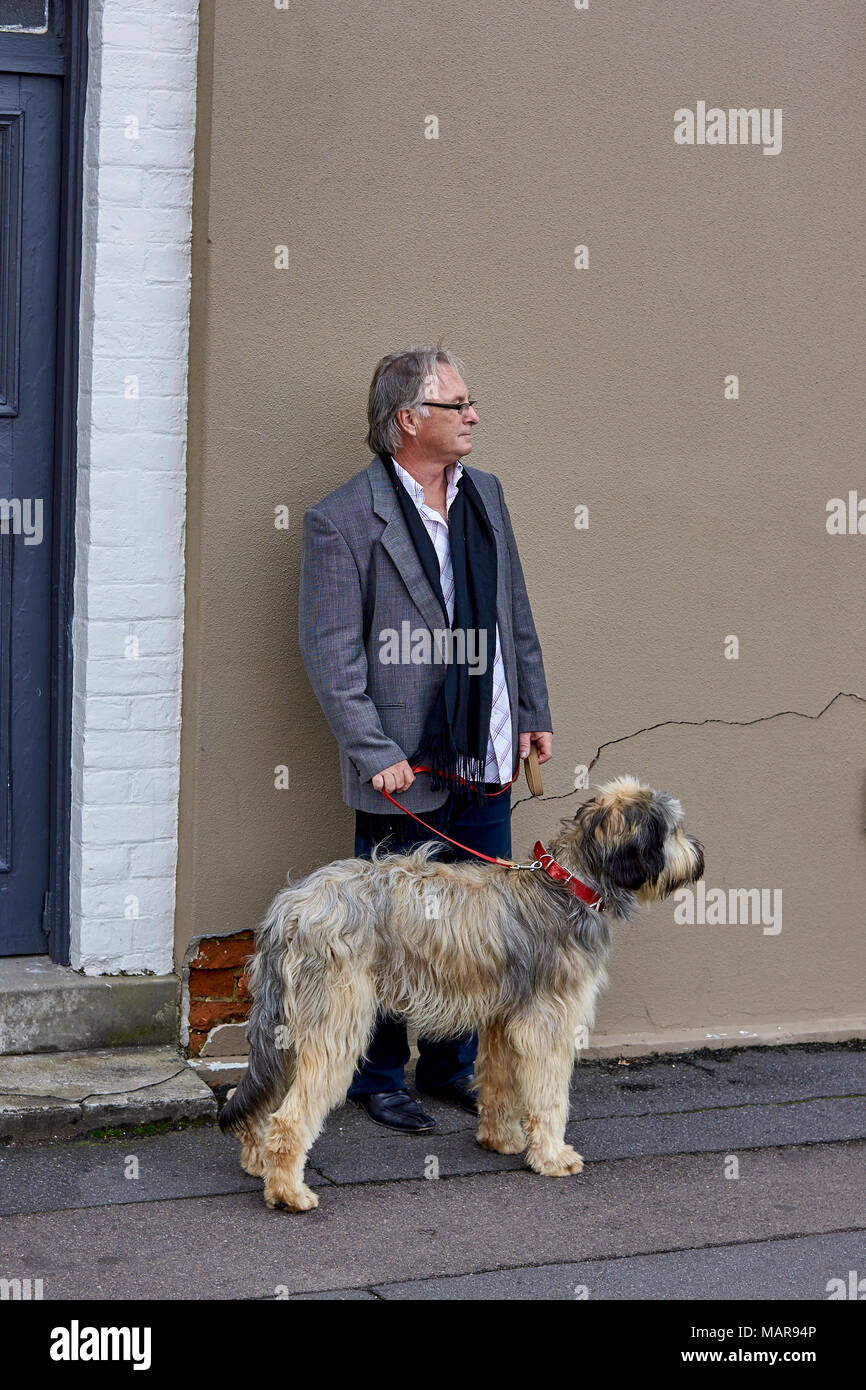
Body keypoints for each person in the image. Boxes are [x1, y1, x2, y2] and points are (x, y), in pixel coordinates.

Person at [298, 346, 553, 1132]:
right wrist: (376, 755)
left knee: (476, 928)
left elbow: (514, 614)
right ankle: (379, 1078)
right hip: (402, 770)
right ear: (409, 420)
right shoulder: (342, 519)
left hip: (486, 751)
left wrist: (535, 709)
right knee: (390, 932)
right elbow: (331, 653)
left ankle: (450, 1066)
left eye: (472, 403)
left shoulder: (487, 497)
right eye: (458, 405)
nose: (474, 416)